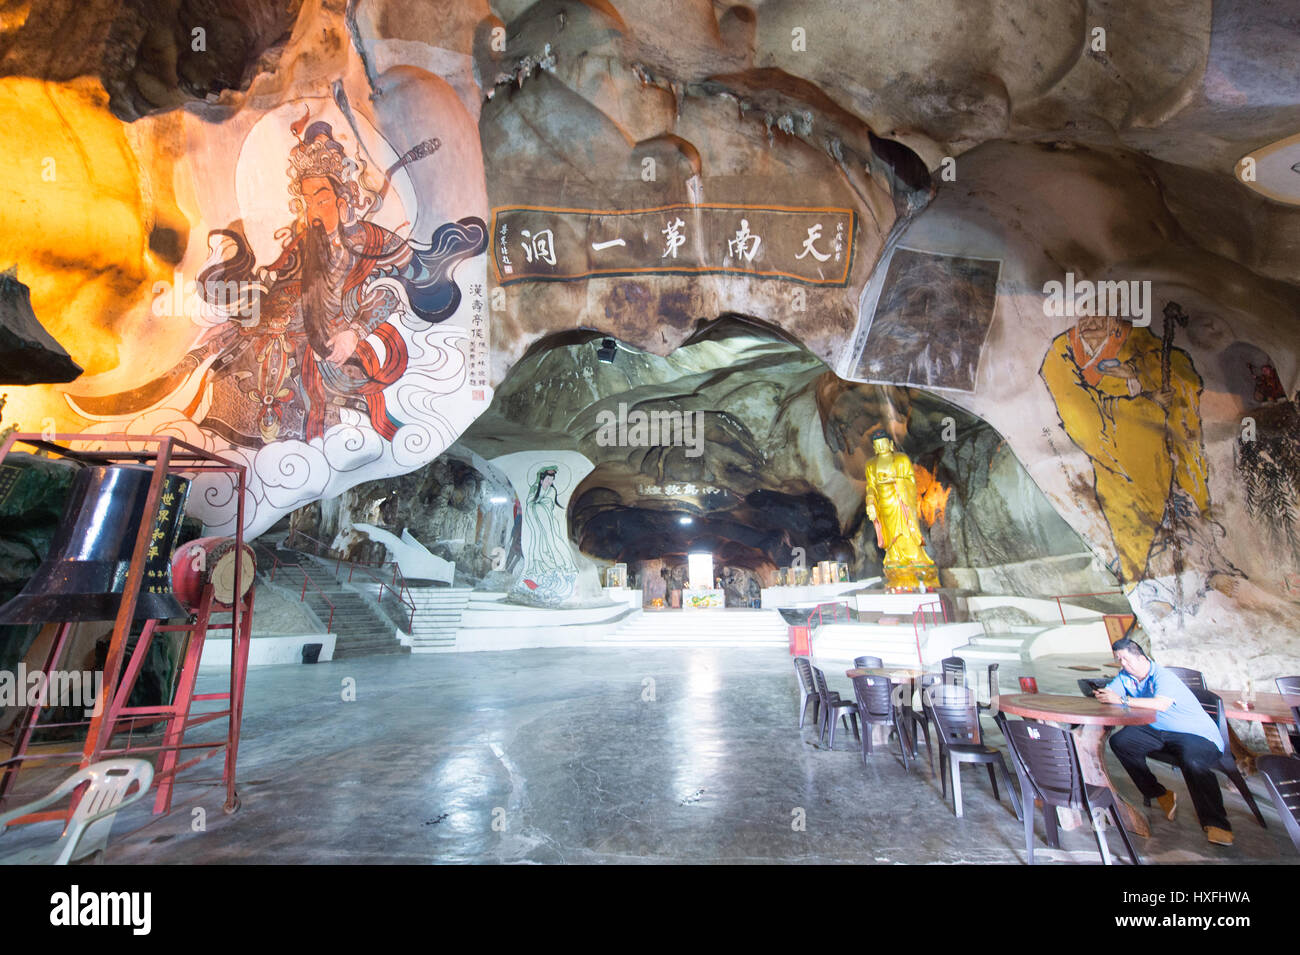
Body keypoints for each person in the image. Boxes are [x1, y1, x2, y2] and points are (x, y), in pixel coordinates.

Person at [1094, 637, 1233, 846]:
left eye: (1125, 659)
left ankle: (1216, 823)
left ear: (1141, 658)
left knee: (1193, 762)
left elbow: (1160, 704)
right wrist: (1102, 694)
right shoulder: (1126, 676)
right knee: (1121, 742)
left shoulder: (1163, 676)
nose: (1122, 664)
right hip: (1159, 731)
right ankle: (1159, 794)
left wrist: (1121, 700)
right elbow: (1112, 694)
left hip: (1195, 734)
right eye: (1119, 659)